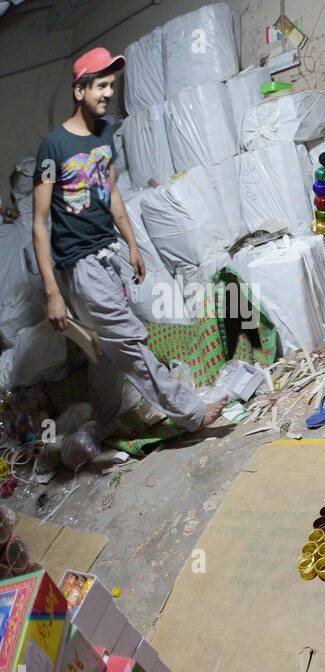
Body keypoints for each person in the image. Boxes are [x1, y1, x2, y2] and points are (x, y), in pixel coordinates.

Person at [32, 47, 225, 444]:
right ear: (79, 90)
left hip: (108, 258)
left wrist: (132, 245)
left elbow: (114, 193)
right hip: (79, 267)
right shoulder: (53, 148)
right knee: (131, 342)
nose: (107, 93)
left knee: (105, 352)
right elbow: (39, 223)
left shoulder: (104, 136)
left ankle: (104, 424)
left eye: (110, 85)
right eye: (100, 85)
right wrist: (52, 293)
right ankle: (192, 413)